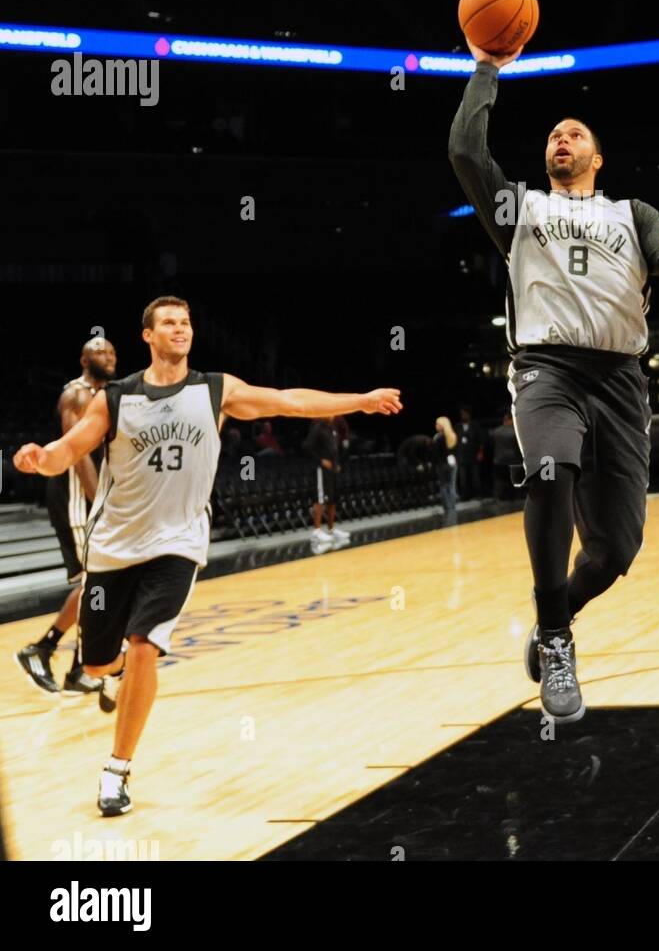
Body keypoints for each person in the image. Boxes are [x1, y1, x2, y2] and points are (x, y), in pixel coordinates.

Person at [13, 295, 402, 818]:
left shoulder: (215, 390)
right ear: (147, 335)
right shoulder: (118, 398)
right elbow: (68, 449)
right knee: (101, 661)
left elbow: (289, 400)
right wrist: (41, 458)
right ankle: (116, 671)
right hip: (112, 547)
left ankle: (116, 771)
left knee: (146, 645)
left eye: (186, 322)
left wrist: (359, 399)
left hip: (177, 542)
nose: (180, 329)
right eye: (169, 323)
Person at [449, 39, 659, 723]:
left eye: (575, 134)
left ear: (596, 158)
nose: (561, 139)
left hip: (621, 379)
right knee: (546, 470)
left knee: (616, 549)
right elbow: (465, 153)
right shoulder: (521, 212)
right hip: (547, 368)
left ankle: (557, 613)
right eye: (553, 135)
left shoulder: (633, 213)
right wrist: (487, 69)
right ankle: (558, 640)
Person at [15, 336, 118, 699]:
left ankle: (77, 668)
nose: (105, 356)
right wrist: (99, 501)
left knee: (95, 584)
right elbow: (79, 454)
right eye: (97, 351)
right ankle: (41, 650)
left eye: (109, 351)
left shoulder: (109, 393)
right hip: (75, 497)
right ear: (83, 359)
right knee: (91, 582)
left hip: (89, 497)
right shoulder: (77, 394)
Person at [304, 415, 350, 552]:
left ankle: (331, 529)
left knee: (332, 499)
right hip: (320, 469)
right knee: (320, 498)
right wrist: (321, 461)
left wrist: (336, 464)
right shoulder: (318, 428)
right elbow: (306, 446)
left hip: (331, 469)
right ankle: (316, 532)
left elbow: (333, 449)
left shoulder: (332, 428)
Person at [455, 405, 484, 499]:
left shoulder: (475, 425)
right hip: (461, 456)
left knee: (475, 476)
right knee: (463, 477)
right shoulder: (457, 427)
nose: (463, 416)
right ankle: (465, 495)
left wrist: (480, 452)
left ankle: (478, 494)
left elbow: (481, 440)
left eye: (465, 414)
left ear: (469, 414)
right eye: (462, 414)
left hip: (473, 455)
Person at [433, 416, 459, 519]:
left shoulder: (438, 438)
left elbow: (435, 454)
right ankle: (452, 506)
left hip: (442, 464)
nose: (436, 426)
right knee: (452, 485)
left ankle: (447, 507)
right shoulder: (453, 436)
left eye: (437, 424)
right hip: (452, 463)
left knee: (443, 485)